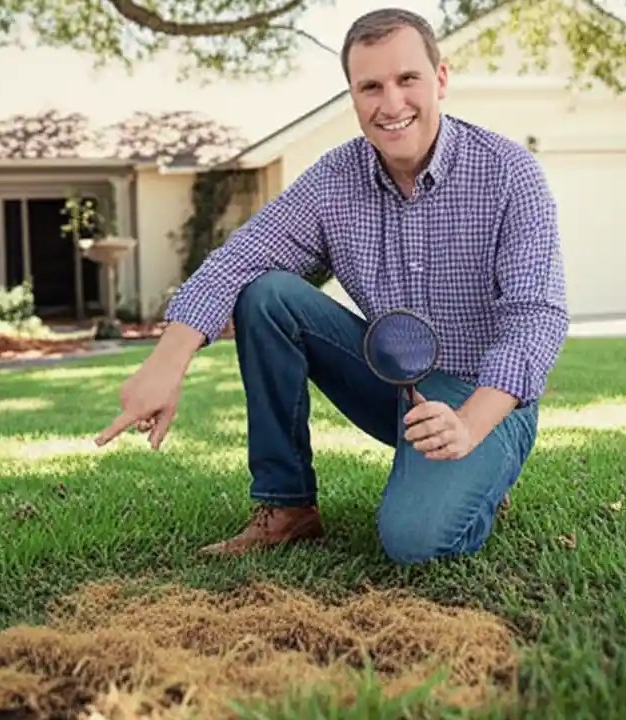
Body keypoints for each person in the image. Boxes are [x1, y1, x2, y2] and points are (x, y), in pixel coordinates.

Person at [95, 7, 569, 564]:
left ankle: (483, 475)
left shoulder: (510, 173)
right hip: (388, 378)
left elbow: (537, 318)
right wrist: (166, 363)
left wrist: (469, 425)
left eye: (407, 79)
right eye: (370, 86)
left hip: (482, 398)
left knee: (415, 542)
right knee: (268, 295)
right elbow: (237, 261)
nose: (390, 104)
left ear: (440, 80)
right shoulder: (333, 181)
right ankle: (287, 507)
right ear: (352, 95)